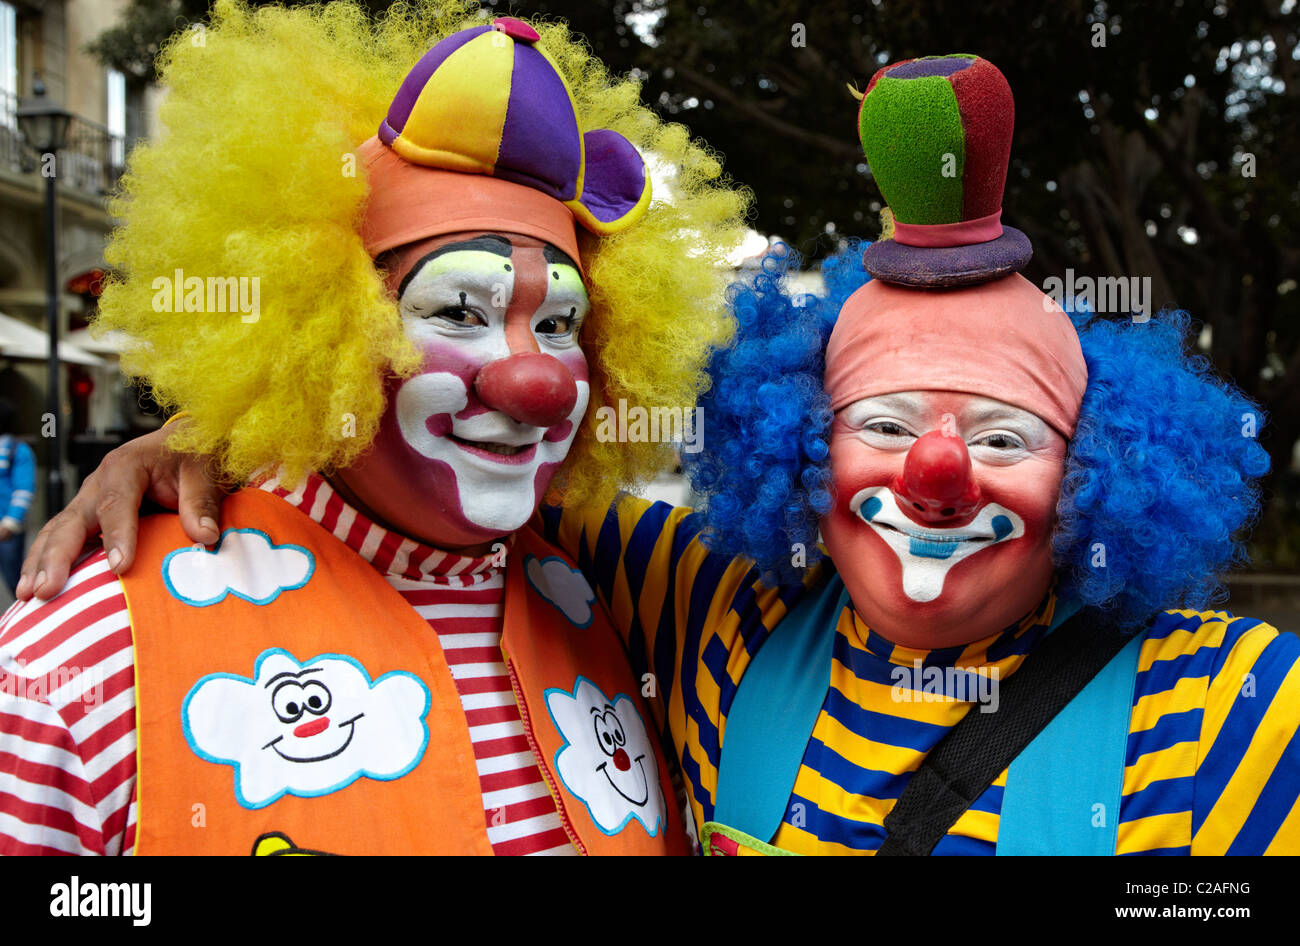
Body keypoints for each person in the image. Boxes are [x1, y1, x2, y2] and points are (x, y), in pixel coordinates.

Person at [21, 55, 1300, 856]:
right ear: (801, 451)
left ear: (1095, 469)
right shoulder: (704, 611)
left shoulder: (1235, 708)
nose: (937, 475)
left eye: (1009, 437)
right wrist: (230, 415)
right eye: (884, 426)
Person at [0, 1, 747, 855]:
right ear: (327, 329)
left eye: (559, 326)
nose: (536, 381)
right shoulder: (85, 652)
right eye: (460, 311)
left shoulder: (622, 596)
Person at [0, 398, 35, 596]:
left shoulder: (17, 450)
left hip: (6, 531)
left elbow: (24, 489)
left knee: (16, 583)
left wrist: (10, 523)